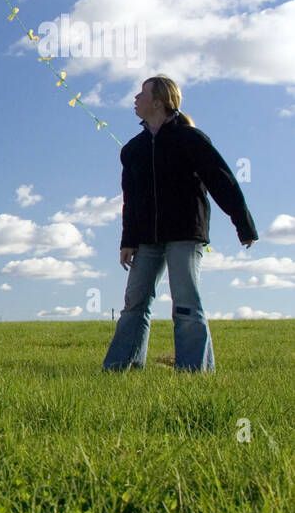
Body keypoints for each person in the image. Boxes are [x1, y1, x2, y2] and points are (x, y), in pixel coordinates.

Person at [103, 76, 257, 372]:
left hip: (186, 233)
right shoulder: (132, 149)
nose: (135, 98)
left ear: (158, 102)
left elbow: (221, 180)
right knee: (134, 303)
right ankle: (119, 368)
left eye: (142, 93)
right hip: (147, 238)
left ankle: (193, 372)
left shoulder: (190, 138)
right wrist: (127, 240)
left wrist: (243, 225)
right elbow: (130, 201)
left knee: (185, 304)